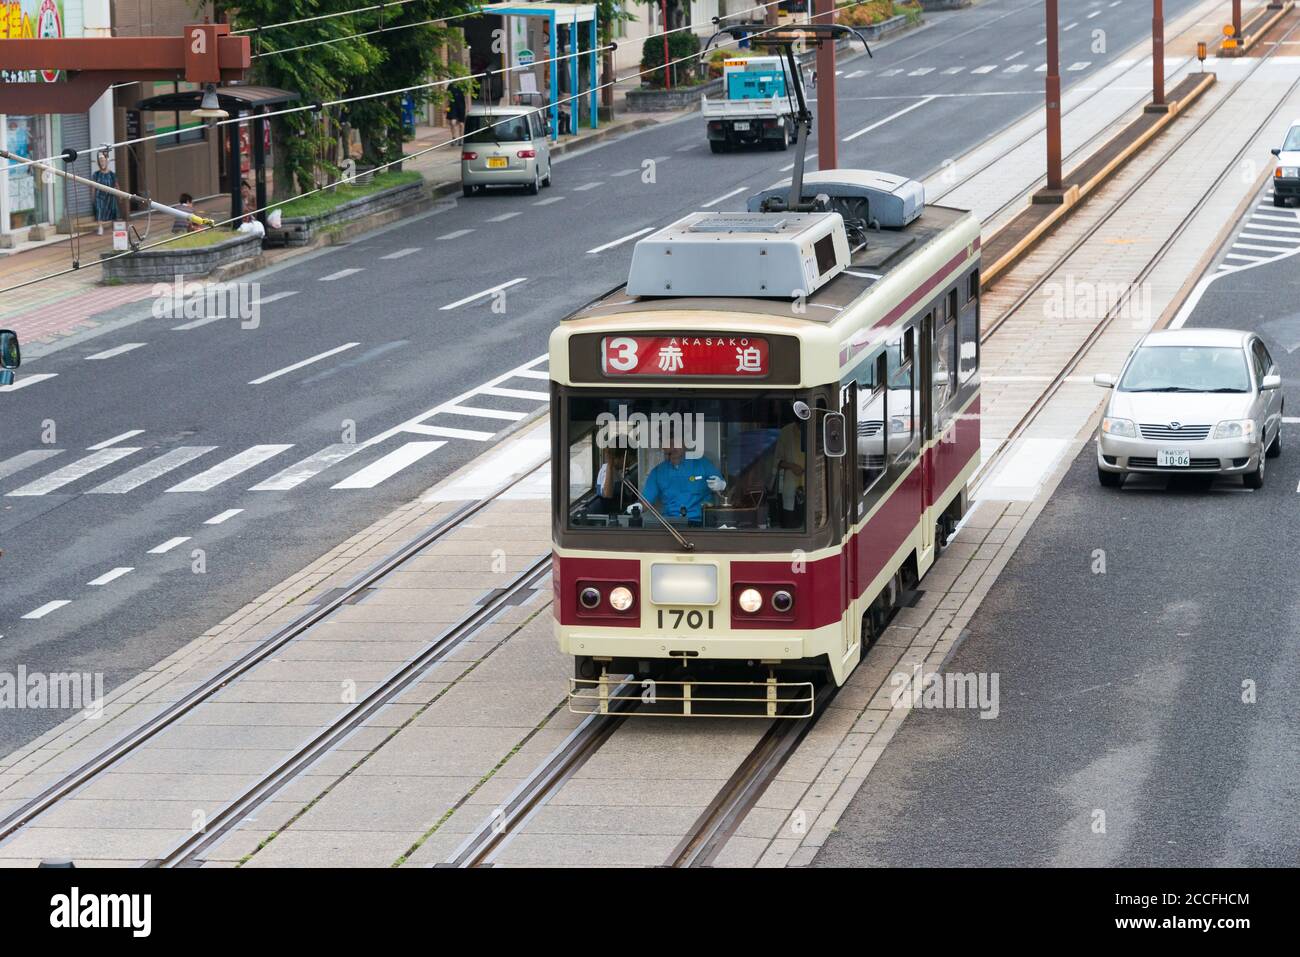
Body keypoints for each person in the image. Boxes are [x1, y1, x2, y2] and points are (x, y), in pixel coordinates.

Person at [634, 440, 726, 525]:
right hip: (670, 524)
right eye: (668, 444)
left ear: (684, 443)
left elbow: (724, 491)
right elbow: (646, 501)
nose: (672, 448)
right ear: (663, 447)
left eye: (676, 443)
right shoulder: (658, 472)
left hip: (701, 523)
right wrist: (638, 507)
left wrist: (722, 485)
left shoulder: (702, 464)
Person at [91, 151, 120, 237]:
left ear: (107, 162)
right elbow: (93, 186)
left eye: (103, 161)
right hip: (99, 196)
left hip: (110, 195)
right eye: (100, 161)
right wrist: (93, 197)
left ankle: (114, 228)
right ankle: (100, 227)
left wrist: (119, 194)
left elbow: (116, 184)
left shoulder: (112, 174)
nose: (102, 163)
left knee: (113, 210)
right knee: (99, 210)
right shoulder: (96, 174)